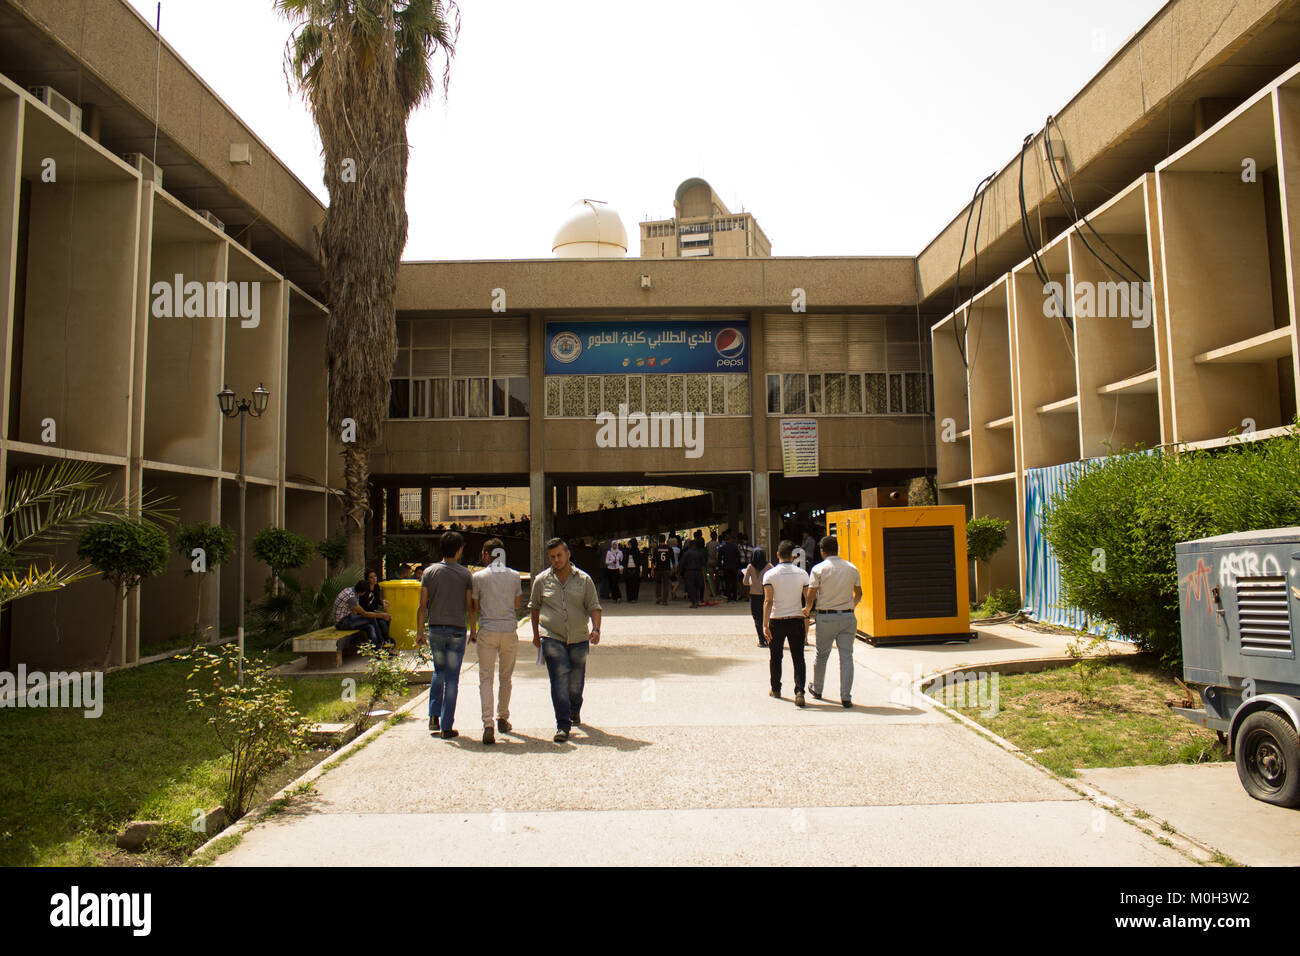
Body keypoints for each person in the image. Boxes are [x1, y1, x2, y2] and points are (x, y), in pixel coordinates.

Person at [530, 537, 602, 743]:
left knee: (576, 681)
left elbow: (594, 607)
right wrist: (536, 634)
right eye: (552, 557)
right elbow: (534, 607)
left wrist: (596, 629)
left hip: (579, 637)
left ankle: (574, 708)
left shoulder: (584, 580)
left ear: (568, 554)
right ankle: (562, 725)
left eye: (559, 555)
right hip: (551, 636)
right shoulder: (541, 580)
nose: (556, 560)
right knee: (559, 678)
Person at [416, 531, 474, 740]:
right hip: (457, 630)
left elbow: (422, 605)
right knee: (452, 678)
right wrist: (473, 629)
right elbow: (469, 607)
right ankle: (447, 725)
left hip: (435, 629)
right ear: (459, 550)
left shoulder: (429, 573)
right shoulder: (465, 574)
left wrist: (419, 632)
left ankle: (433, 716)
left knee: (438, 672)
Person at [471, 538, 522, 745]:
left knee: (486, 678)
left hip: (487, 630)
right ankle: (503, 717)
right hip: (509, 630)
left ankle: (488, 724)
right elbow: (517, 604)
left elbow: (475, 606)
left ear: (485, 554)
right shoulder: (514, 575)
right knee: (506, 677)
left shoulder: (479, 577)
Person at [806, 534, 863, 708]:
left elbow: (811, 594)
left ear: (822, 551)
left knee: (822, 655)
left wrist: (807, 610)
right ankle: (846, 696)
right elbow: (859, 593)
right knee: (846, 657)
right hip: (847, 616)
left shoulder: (818, 569)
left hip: (826, 616)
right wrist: (850, 607)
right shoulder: (851, 568)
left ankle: (818, 689)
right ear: (837, 549)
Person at [763, 539, 811, 707]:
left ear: (777, 555)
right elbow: (808, 597)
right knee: (798, 657)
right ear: (793, 556)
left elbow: (768, 601)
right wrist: (808, 611)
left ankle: (776, 688)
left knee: (775, 656)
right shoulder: (803, 574)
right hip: (796, 619)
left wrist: (764, 624)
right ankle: (799, 691)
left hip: (777, 620)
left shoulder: (770, 575)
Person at [332, 579, 389, 649]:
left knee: (370, 627)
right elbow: (364, 614)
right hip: (342, 623)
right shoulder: (351, 597)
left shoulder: (350, 590)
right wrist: (382, 615)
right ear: (363, 592)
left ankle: (377, 648)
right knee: (372, 618)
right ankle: (382, 644)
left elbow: (353, 612)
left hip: (347, 619)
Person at [743, 547, 773, 647]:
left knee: (757, 618)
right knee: (768, 617)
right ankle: (769, 638)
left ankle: (761, 640)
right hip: (766, 594)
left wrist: (753, 582)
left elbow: (745, 582)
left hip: (754, 595)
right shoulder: (769, 566)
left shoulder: (750, 567)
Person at [358, 569, 394, 647]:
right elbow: (365, 607)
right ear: (367, 579)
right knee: (382, 622)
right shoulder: (365, 590)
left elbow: (376, 600)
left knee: (387, 618)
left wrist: (382, 602)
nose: (374, 578)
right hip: (367, 613)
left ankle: (386, 641)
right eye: (371, 577)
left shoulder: (376, 587)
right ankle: (383, 643)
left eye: (375, 576)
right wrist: (379, 614)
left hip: (374, 611)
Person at [719, 530, 742, 602]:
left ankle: (729, 597)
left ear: (725, 540)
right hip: (734, 567)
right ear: (731, 540)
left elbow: (719, 558)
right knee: (734, 582)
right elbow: (738, 558)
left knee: (727, 582)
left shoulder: (722, 548)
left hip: (726, 567)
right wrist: (738, 567)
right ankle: (734, 597)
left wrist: (720, 568)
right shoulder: (735, 547)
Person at [652, 534, 675, 605]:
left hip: (658, 569)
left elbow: (653, 560)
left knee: (658, 584)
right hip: (666, 569)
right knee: (666, 584)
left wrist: (652, 570)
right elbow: (673, 559)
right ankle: (664, 600)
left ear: (659, 540)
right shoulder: (669, 548)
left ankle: (658, 598)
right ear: (665, 540)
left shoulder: (656, 548)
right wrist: (674, 568)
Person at [624, 537, 642, 602]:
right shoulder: (627, 551)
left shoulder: (637, 552)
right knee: (629, 584)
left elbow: (640, 562)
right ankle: (629, 597)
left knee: (635, 584)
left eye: (630, 544)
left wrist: (640, 570)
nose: (629, 546)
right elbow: (625, 561)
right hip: (628, 569)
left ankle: (634, 597)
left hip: (635, 569)